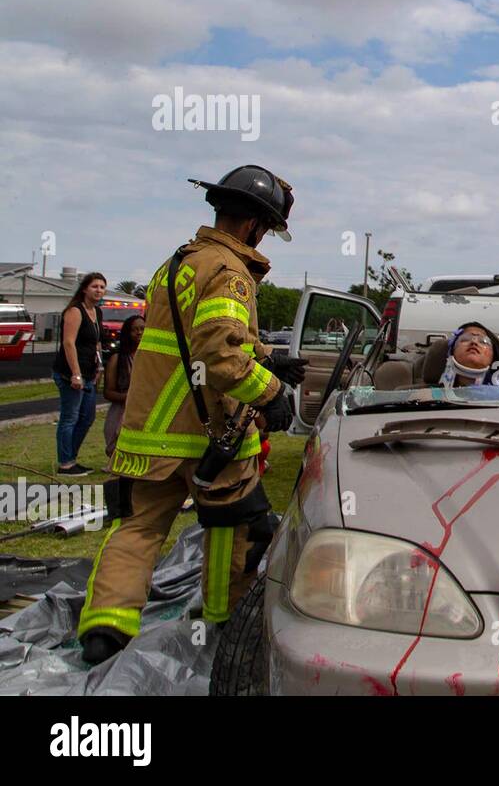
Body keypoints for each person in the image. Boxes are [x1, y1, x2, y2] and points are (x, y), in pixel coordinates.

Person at [77, 165, 308, 665]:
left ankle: (104, 631)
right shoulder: (230, 272)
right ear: (253, 225)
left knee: (136, 529)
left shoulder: (177, 264)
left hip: (149, 434)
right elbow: (219, 356)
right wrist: (271, 392)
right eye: (266, 229)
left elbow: (193, 337)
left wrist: (266, 354)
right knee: (236, 527)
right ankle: (220, 623)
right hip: (210, 434)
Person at [51, 271, 107, 476]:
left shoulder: (97, 312)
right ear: (84, 289)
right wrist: (75, 373)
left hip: (89, 373)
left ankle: (71, 456)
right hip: (70, 374)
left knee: (87, 417)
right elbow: (68, 342)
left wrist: (99, 365)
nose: (99, 290)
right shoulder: (75, 311)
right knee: (70, 417)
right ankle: (65, 464)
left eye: (102, 287)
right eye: (95, 286)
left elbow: (96, 342)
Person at [102, 313, 144, 460]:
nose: (139, 332)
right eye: (134, 329)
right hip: (122, 409)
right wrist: (129, 397)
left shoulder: (152, 359)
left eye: (142, 329)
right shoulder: (117, 359)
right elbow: (108, 392)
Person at [439, 323, 499, 387]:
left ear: (493, 355)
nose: (474, 342)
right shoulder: (432, 396)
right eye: (465, 339)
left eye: (483, 341)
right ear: (452, 351)